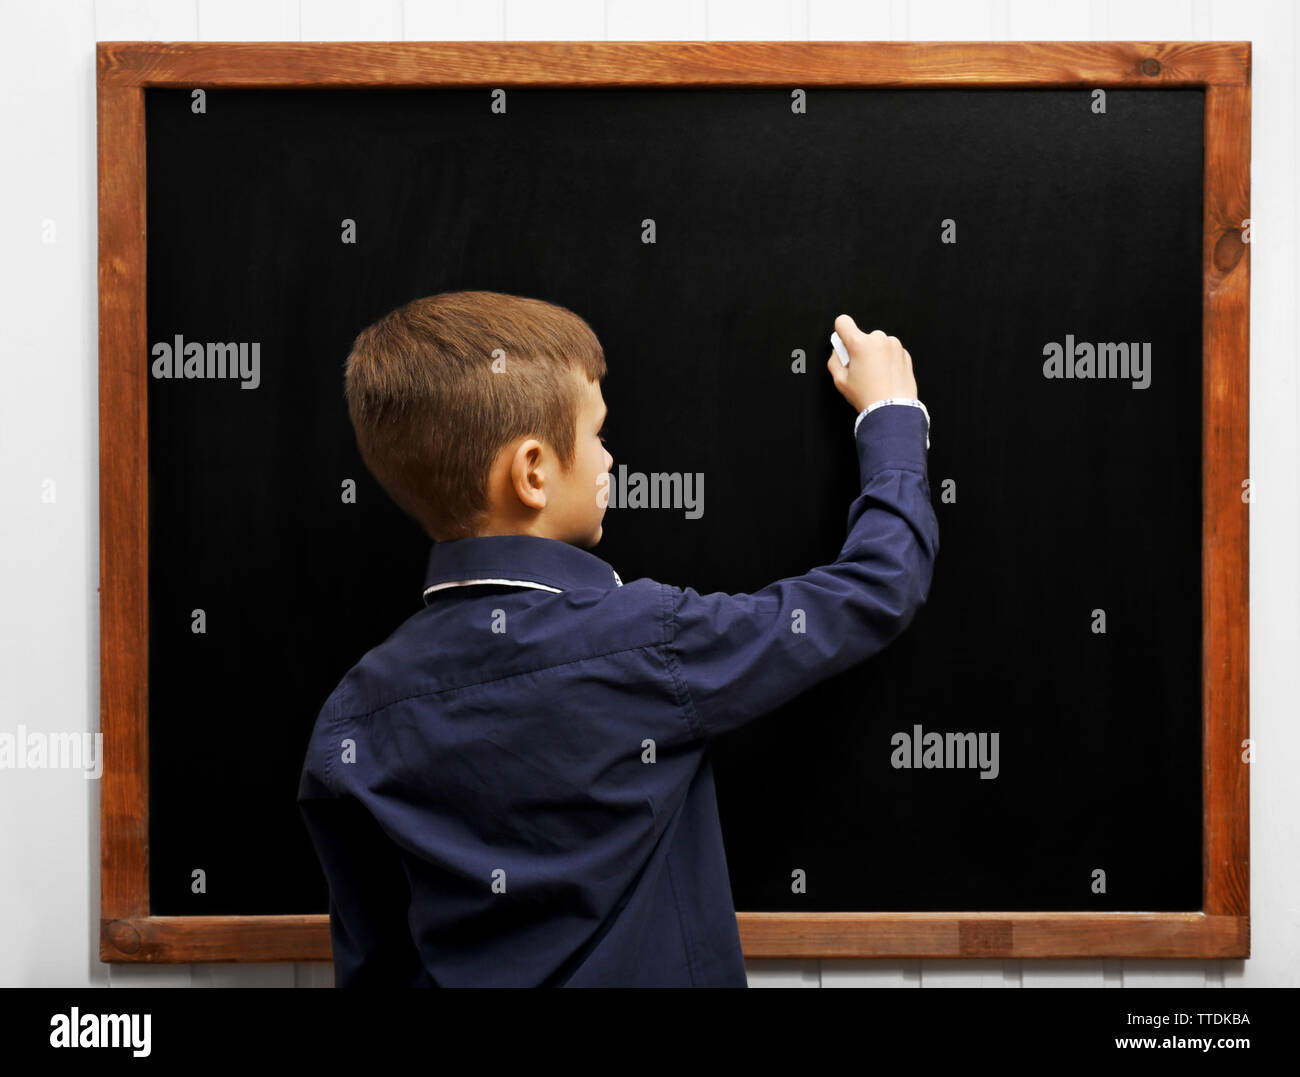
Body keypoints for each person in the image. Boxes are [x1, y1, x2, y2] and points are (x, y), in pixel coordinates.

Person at [296, 290, 938, 986]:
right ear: (533, 472)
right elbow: (876, 586)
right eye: (598, 433)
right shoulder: (652, 644)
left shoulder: (349, 720)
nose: (609, 459)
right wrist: (891, 416)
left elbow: (374, 965)